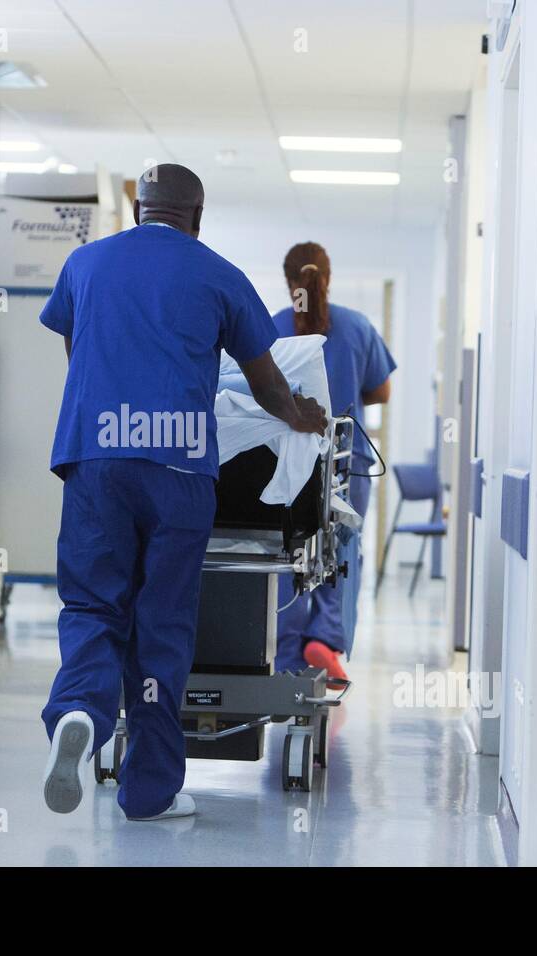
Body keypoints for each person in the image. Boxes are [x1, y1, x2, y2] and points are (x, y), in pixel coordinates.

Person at [38, 165, 328, 822]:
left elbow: (77, 351)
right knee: (161, 623)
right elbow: (267, 385)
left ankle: (80, 711)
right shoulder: (220, 274)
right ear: (197, 216)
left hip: (96, 460)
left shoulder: (84, 265)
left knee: (92, 606)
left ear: (139, 208)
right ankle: (149, 790)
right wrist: (302, 416)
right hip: (179, 470)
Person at [271, 242, 395, 681]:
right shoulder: (357, 327)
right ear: (329, 277)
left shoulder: (274, 328)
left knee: (290, 550)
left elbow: (257, 392)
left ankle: (285, 653)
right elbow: (381, 392)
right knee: (340, 550)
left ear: (291, 284)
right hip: (348, 461)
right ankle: (325, 638)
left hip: (290, 462)